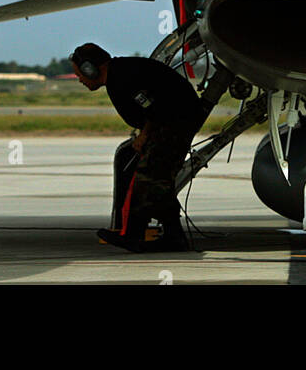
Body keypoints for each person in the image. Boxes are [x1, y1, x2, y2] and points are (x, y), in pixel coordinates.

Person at [71, 43, 207, 253]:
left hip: (175, 120)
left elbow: (154, 108)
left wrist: (144, 135)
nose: (80, 79)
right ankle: (167, 236)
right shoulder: (120, 73)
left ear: (91, 68)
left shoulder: (123, 77)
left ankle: (139, 235)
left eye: (80, 73)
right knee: (155, 179)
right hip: (173, 120)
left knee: (150, 178)